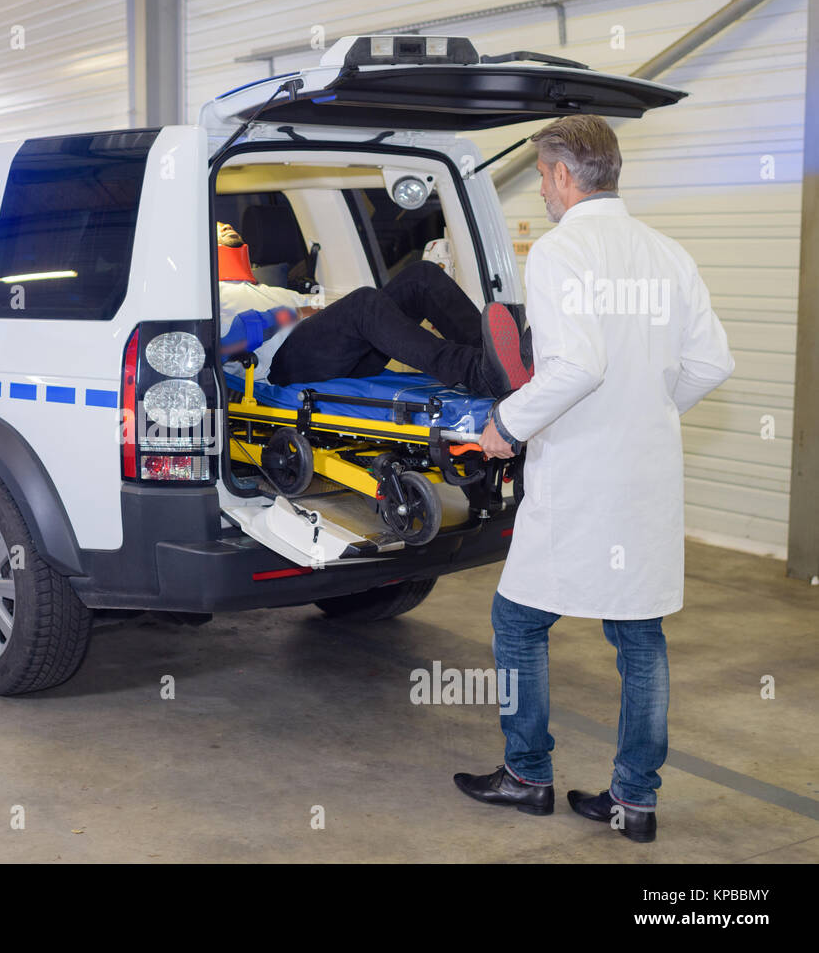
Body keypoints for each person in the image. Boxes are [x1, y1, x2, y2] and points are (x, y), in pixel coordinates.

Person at [454, 114, 735, 843]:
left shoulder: (559, 252)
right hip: (644, 475)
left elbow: (578, 365)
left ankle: (526, 774)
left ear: (562, 176)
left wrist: (505, 425)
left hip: (578, 474)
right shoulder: (667, 253)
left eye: (544, 177)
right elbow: (711, 362)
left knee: (518, 621)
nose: (543, 191)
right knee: (639, 634)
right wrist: (645, 413)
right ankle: (633, 800)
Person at [215, 221, 531, 397]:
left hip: (327, 350)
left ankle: (497, 362)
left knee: (421, 275)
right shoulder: (210, 296)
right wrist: (285, 316)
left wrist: (308, 311)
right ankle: (474, 370)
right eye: (217, 226)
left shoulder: (270, 290)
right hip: (281, 364)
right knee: (364, 303)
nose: (225, 223)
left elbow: (316, 313)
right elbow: (222, 348)